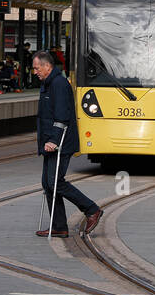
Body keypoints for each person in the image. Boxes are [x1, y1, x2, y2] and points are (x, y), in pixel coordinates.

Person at [33, 50, 103, 238]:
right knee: (48, 184)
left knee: (55, 182)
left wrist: (53, 140)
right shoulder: (48, 84)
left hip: (60, 142)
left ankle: (91, 209)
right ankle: (59, 226)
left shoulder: (59, 84)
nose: (35, 72)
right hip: (50, 141)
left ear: (47, 66)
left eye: (37, 68)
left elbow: (62, 117)